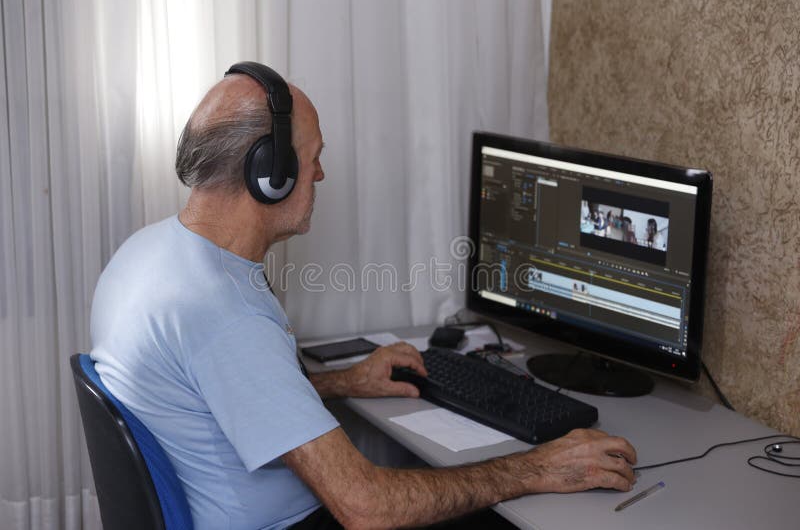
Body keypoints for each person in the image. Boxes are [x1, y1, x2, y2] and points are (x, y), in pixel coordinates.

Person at [90, 62, 637, 529]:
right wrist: (536, 468)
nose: (321, 174)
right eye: (313, 156)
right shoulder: (222, 312)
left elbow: (218, 394)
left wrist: (343, 383)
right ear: (270, 173)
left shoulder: (147, 253)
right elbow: (363, 508)